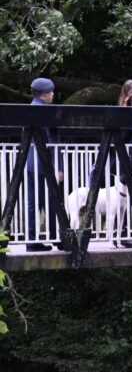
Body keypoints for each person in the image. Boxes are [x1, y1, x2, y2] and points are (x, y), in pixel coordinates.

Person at [88, 79, 132, 248]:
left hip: (128, 160)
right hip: (125, 162)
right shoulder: (127, 112)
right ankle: (120, 236)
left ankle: (120, 235)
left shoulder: (128, 110)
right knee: (126, 197)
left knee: (125, 199)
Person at [25, 78, 63, 252]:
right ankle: (58, 238)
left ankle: (32, 240)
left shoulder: (28, 109)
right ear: (45, 94)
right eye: (51, 92)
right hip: (44, 163)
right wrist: (59, 167)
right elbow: (53, 140)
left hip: (30, 162)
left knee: (34, 203)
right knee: (53, 201)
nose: (53, 94)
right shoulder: (47, 112)